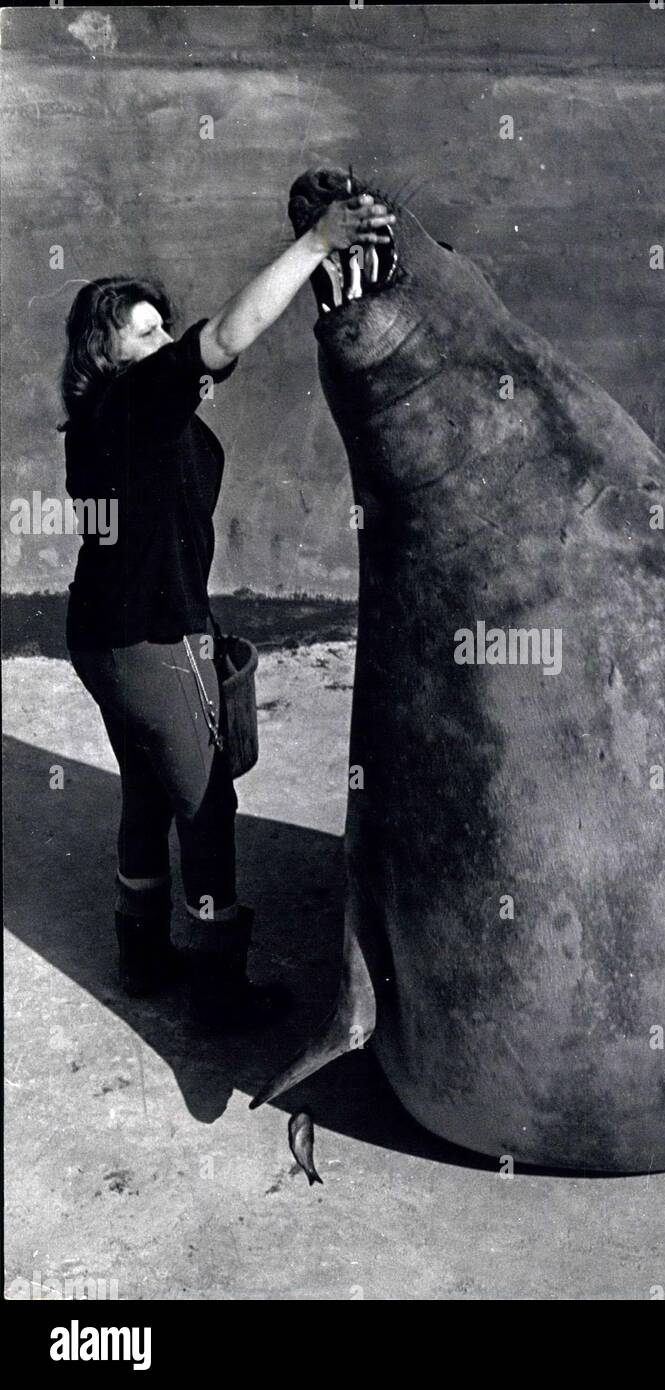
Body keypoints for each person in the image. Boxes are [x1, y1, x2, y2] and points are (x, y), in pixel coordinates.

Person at [60, 187, 395, 1031]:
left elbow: (197, 372)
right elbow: (228, 333)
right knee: (208, 811)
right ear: (104, 356)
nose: (164, 343)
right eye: (143, 333)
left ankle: (141, 955)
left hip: (102, 636)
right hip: (150, 641)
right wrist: (319, 242)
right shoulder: (133, 404)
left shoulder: (109, 419)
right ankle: (217, 994)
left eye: (160, 328)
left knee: (145, 789)